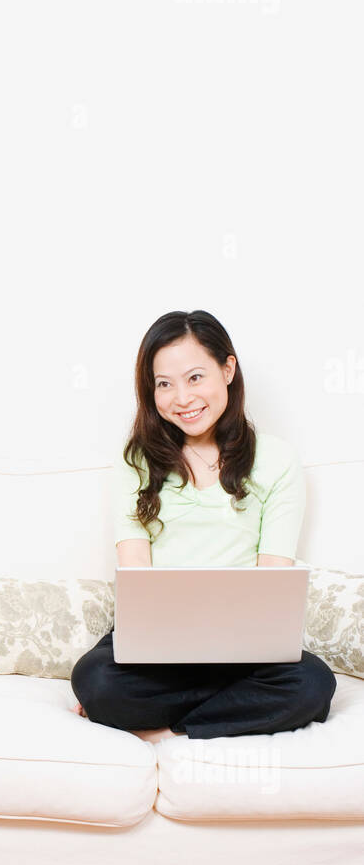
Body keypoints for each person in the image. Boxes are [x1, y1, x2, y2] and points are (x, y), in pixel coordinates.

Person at [70, 309, 337, 743]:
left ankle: (168, 730)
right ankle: (224, 712)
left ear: (227, 369)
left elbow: (274, 575)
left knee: (314, 684)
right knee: (94, 678)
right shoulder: (136, 462)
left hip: (244, 645)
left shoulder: (276, 459)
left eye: (195, 377)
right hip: (154, 647)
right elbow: (134, 565)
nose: (181, 398)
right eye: (164, 384)